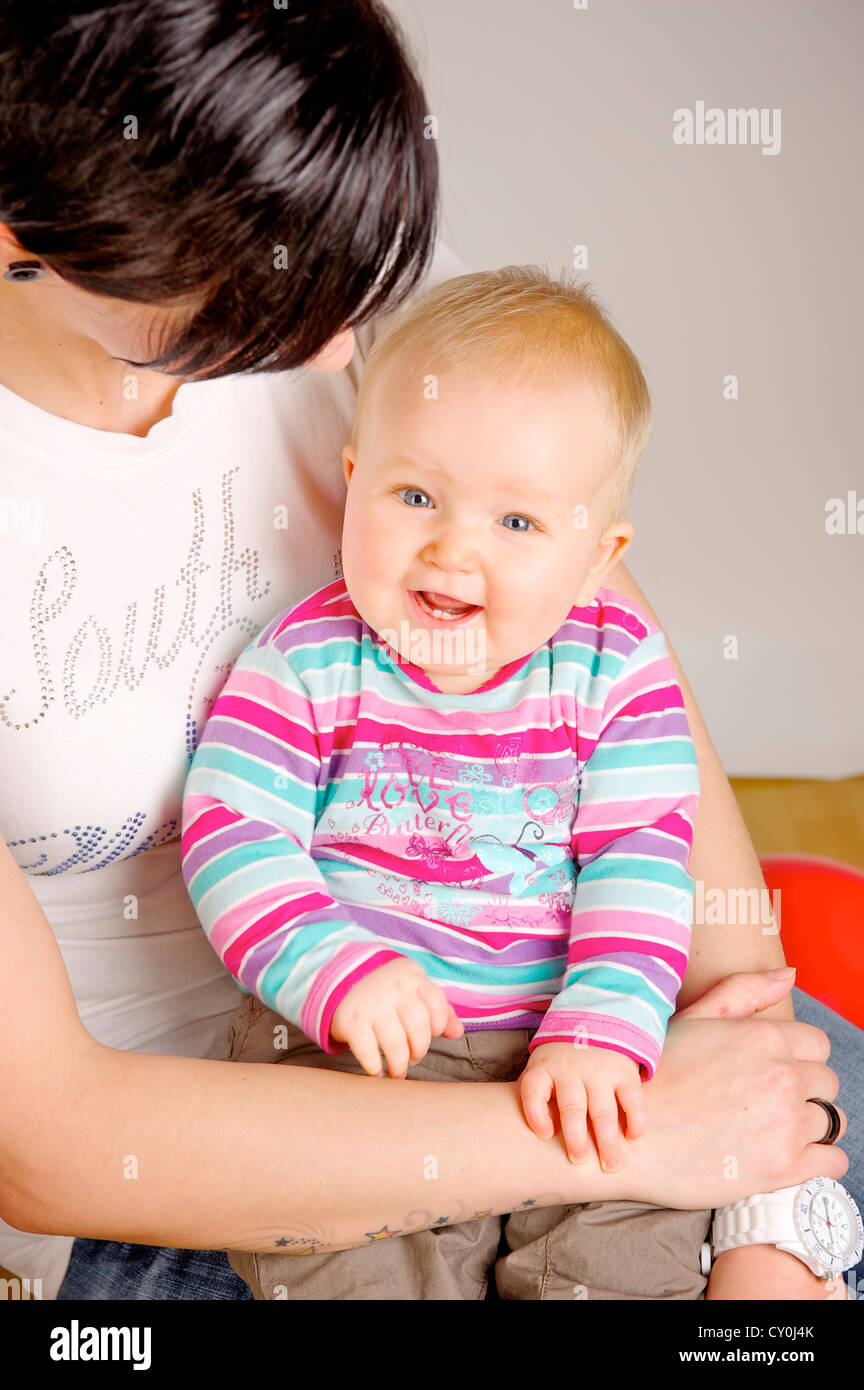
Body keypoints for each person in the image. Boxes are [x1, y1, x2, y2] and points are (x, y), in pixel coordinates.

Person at [0, 1, 858, 1302]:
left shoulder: (325, 255)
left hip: (588, 1036)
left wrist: (771, 1204)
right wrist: (618, 1138)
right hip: (218, 1159)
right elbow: (47, 1141)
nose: (346, 349)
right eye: (265, 298)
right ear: (37, 235)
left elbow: (637, 735)